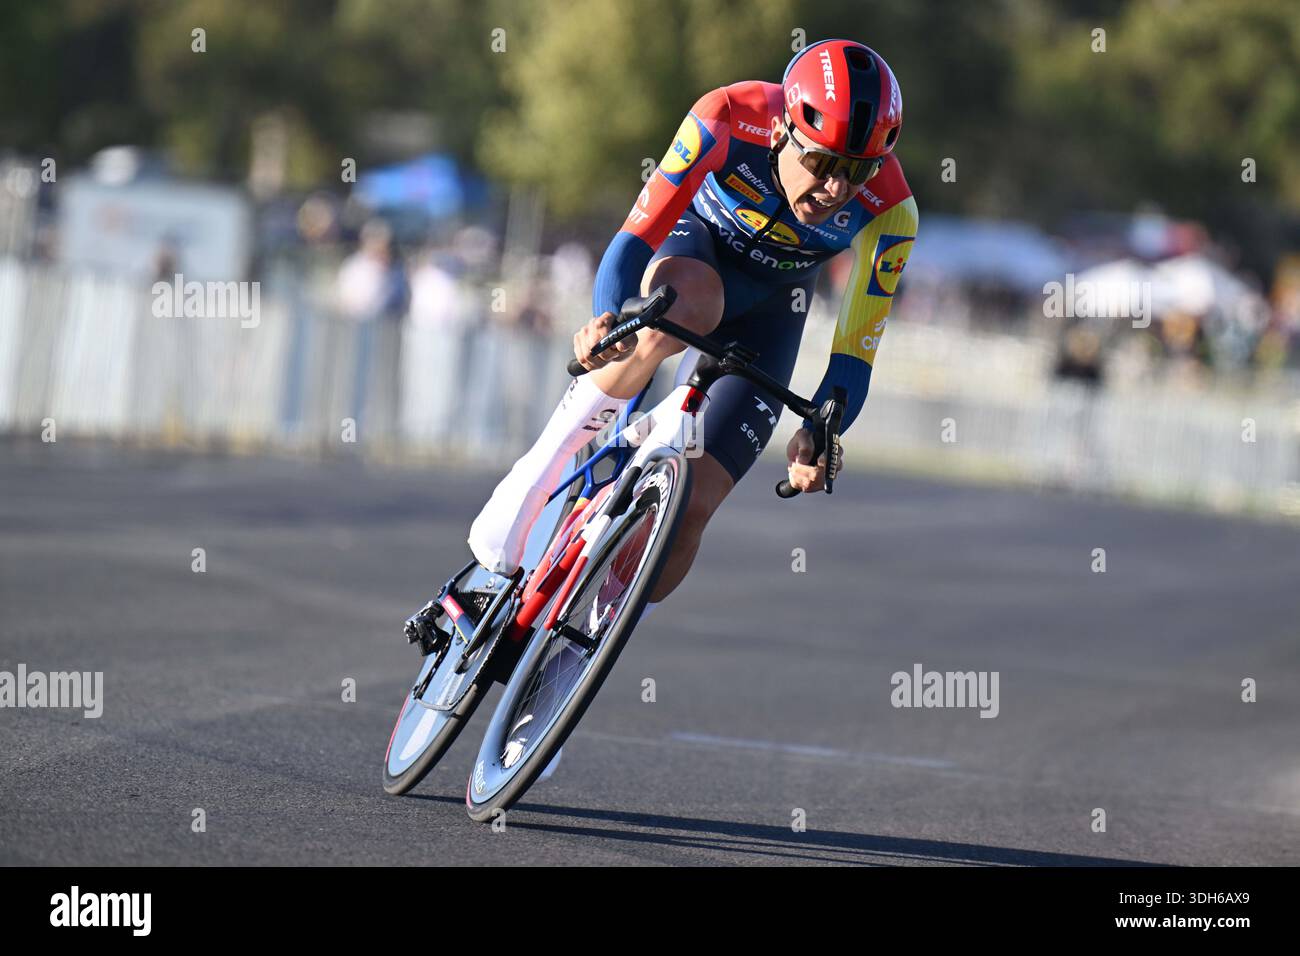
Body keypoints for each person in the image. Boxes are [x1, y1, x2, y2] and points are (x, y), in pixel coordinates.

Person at [467, 38, 918, 612]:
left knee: (688, 514)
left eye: (857, 172)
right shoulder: (728, 116)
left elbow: (855, 353)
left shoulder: (893, 209)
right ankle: (545, 465)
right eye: (824, 163)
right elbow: (637, 234)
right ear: (782, 130)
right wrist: (608, 317)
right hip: (696, 248)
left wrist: (826, 432)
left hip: (772, 311)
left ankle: (574, 651)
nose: (836, 190)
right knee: (689, 306)